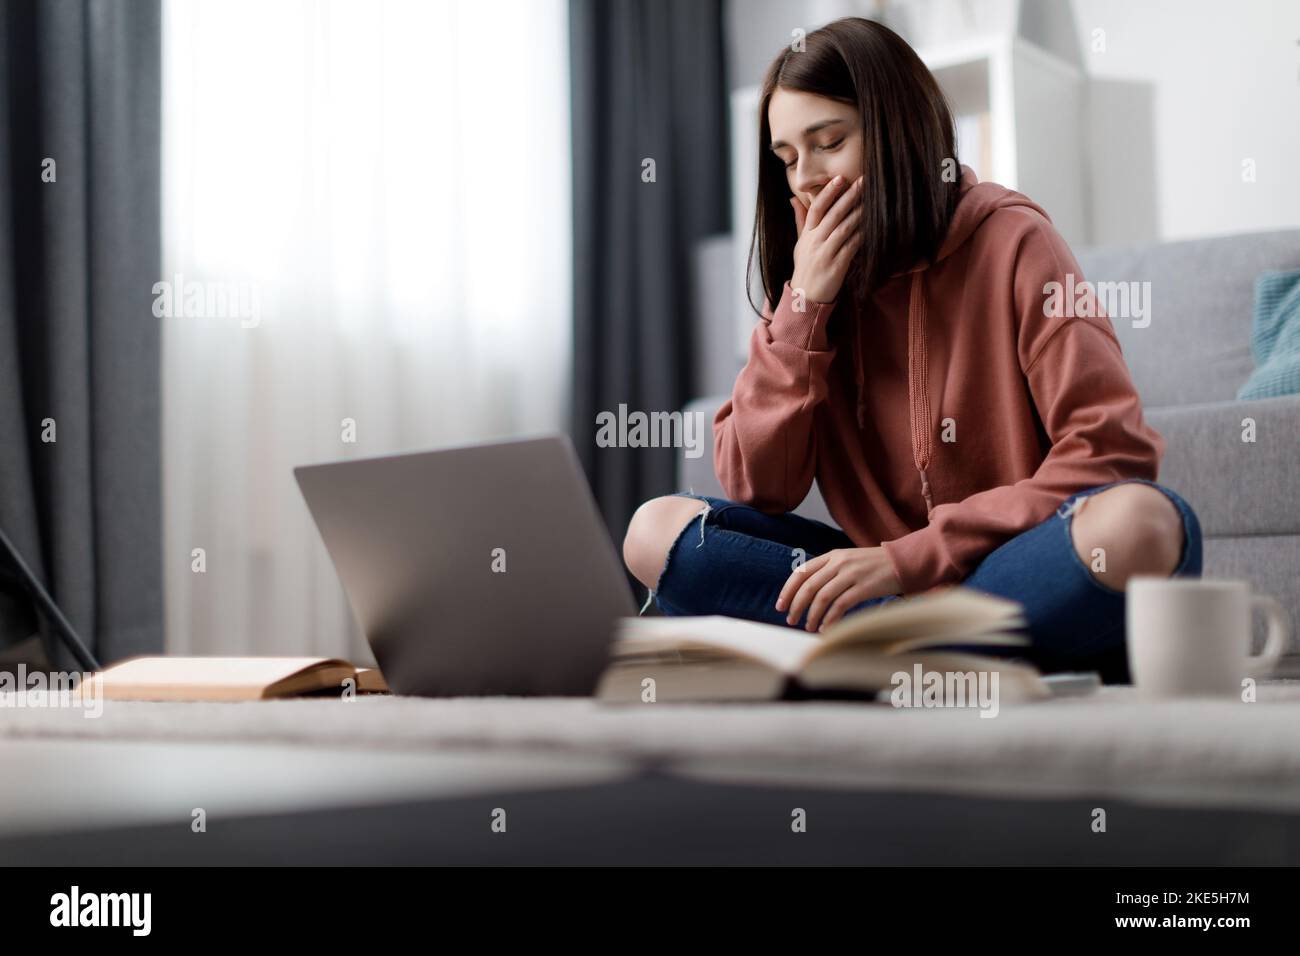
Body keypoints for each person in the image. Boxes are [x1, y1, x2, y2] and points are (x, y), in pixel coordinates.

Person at [621, 17, 1201, 683]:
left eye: (828, 143)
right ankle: (927, 651)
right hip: (890, 588)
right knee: (656, 530)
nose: (805, 179)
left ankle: (883, 650)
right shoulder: (805, 292)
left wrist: (911, 558)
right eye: (786, 159)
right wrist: (805, 310)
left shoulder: (1013, 242)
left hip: (1012, 564)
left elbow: (1110, 454)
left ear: (897, 133)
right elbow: (760, 485)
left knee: (1137, 525)